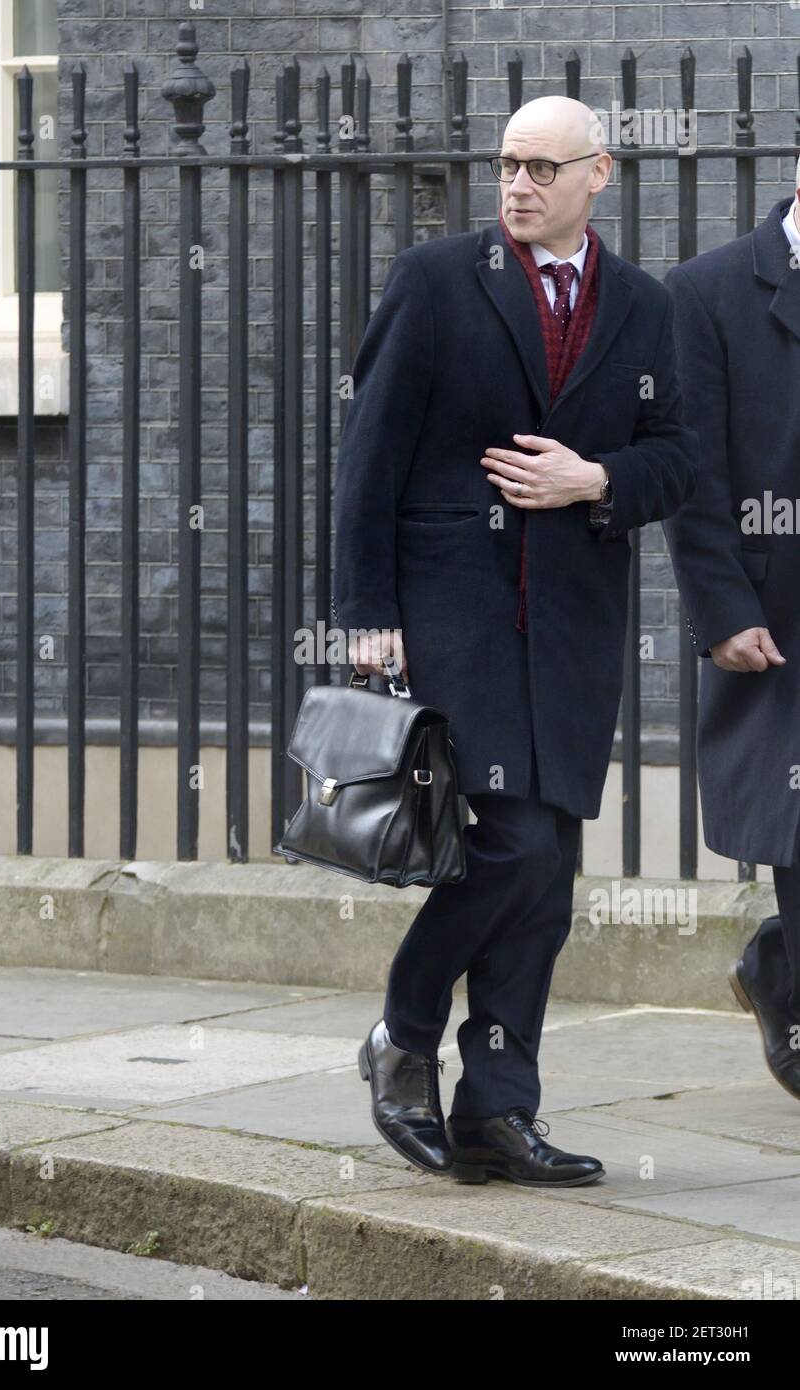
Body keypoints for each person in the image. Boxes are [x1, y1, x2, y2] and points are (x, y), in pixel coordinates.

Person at [332, 95, 697, 1185]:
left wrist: (598, 479)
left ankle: (497, 1104)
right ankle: (402, 1032)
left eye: (544, 167)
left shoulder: (641, 305)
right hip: (458, 617)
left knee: (546, 876)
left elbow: (677, 454)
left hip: (575, 630)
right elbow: (369, 456)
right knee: (513, 845)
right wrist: (364, 615)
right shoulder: (437, 280)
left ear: (601, 174)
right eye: (507, 165)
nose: (520, 185)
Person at [664, 168, 800, 1102]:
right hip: (778, 604)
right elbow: (694, 473)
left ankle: (775, 962)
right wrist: (720, 611)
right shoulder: (707, 291)